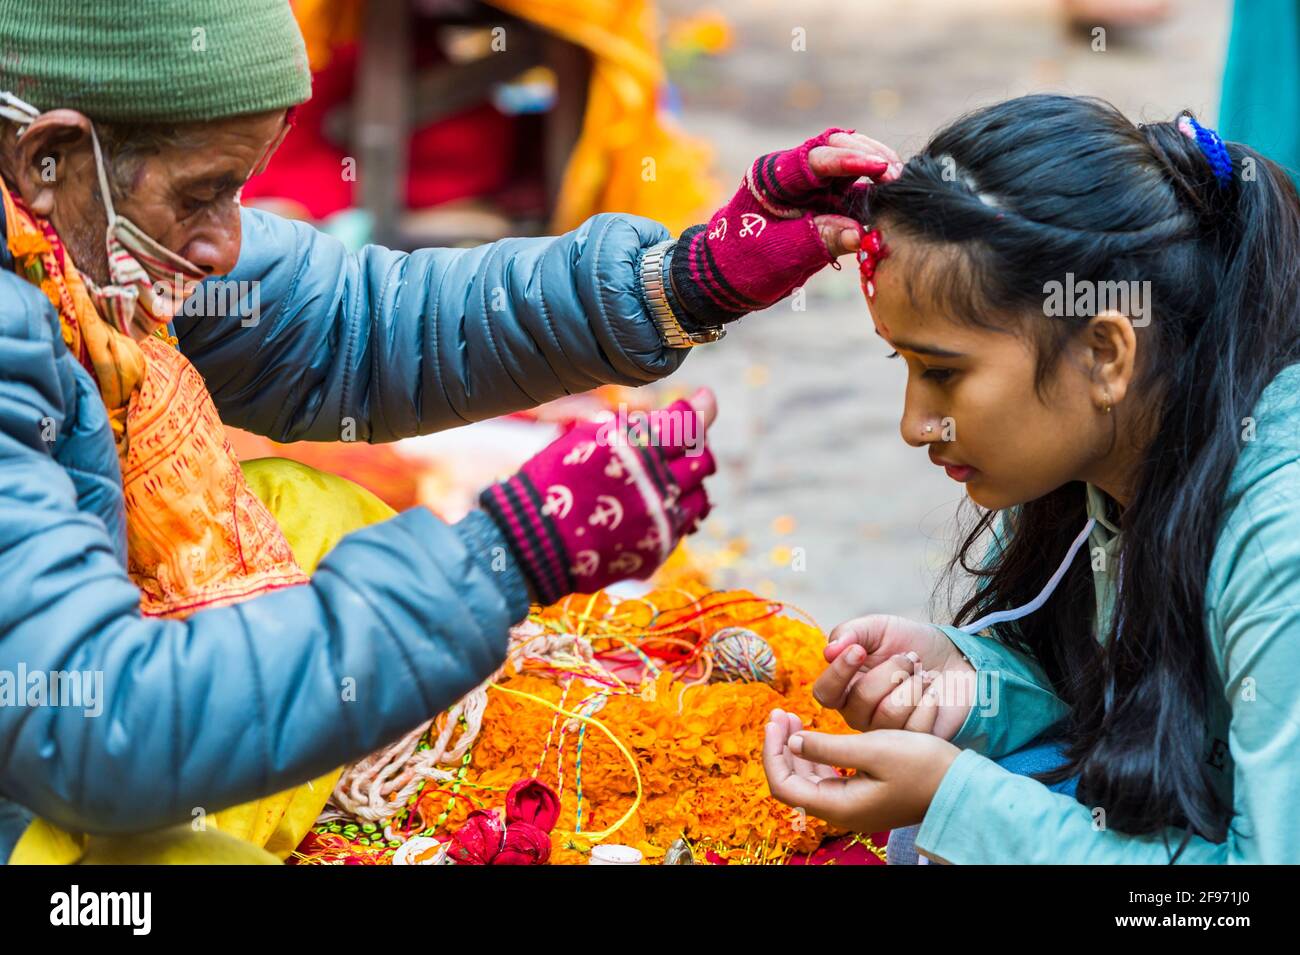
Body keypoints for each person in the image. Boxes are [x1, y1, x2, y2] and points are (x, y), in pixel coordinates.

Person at [0, 0, 898, 862]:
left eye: (240, 193)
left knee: (312, 514)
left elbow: (349, 325)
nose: (227, 243)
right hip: (57, 765)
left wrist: (684, 280)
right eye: (203, 195)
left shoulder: (72, 234)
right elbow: (97, 722)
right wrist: (509, 555)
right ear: (50, 158)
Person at [764, 93, 1300, 864]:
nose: (916, 424)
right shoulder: (1116, 452)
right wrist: (974, 684)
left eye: (943, 372)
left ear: (1106, 354)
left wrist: (958, 799)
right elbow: (1137, 711)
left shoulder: (1279, 539)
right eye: (905, 366)